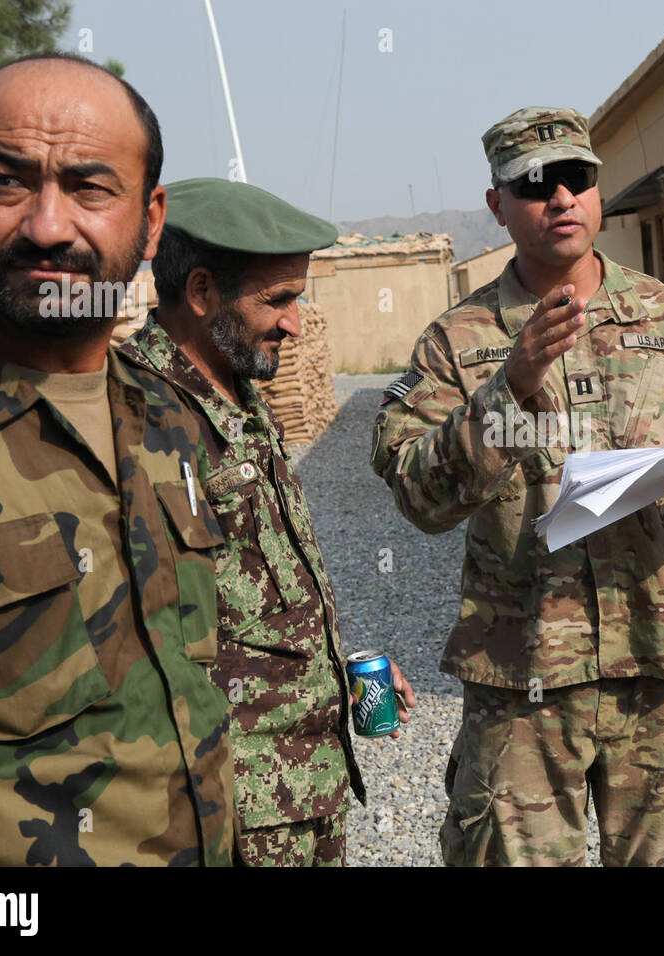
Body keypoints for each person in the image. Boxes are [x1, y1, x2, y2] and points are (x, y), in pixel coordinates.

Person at [371, 107, 664, 866]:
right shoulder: (454, 341)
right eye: (534, 185)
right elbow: (414, 490)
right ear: (497, 206)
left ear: (598, 191)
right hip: (521, 673)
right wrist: (510, 386)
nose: (560, 197)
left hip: (661, 663)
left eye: (577, 178)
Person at [0, 55, 236, 865]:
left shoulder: (170, 417)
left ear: (150, 222)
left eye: (88, 187)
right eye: (9, 182)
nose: (47, 226)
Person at [119, 178, 415, 866]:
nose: (296, 322)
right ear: (199, 292)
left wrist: (333, 673)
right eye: (276, 300)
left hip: (300, 793)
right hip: (223, 814)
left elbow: (245, 599)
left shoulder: (241, 395)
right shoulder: (136, 417)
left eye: (298, 298)